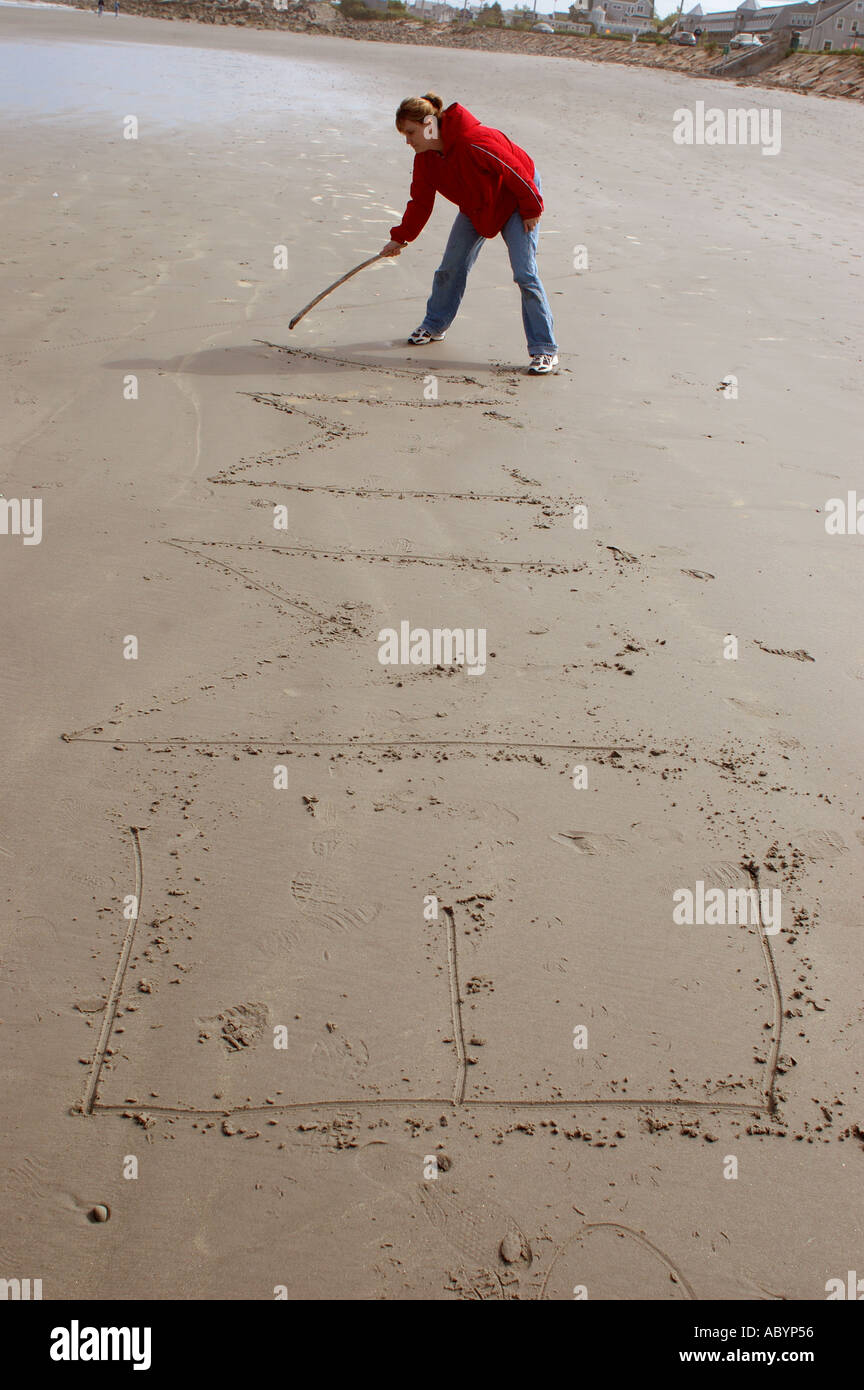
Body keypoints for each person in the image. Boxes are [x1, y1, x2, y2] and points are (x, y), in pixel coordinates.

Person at [381, 93, 559, 375]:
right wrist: (401, 237)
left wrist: (531, 207)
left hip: (516, 198)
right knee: (451, 266)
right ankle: (435, 324)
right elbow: (420, 202)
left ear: (428, 125)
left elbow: (515, 171)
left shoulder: (472, 141)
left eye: (411, 132)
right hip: (476, 204)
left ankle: (544, 349)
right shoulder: (425, 158)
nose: (408, 141)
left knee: (525, 273)